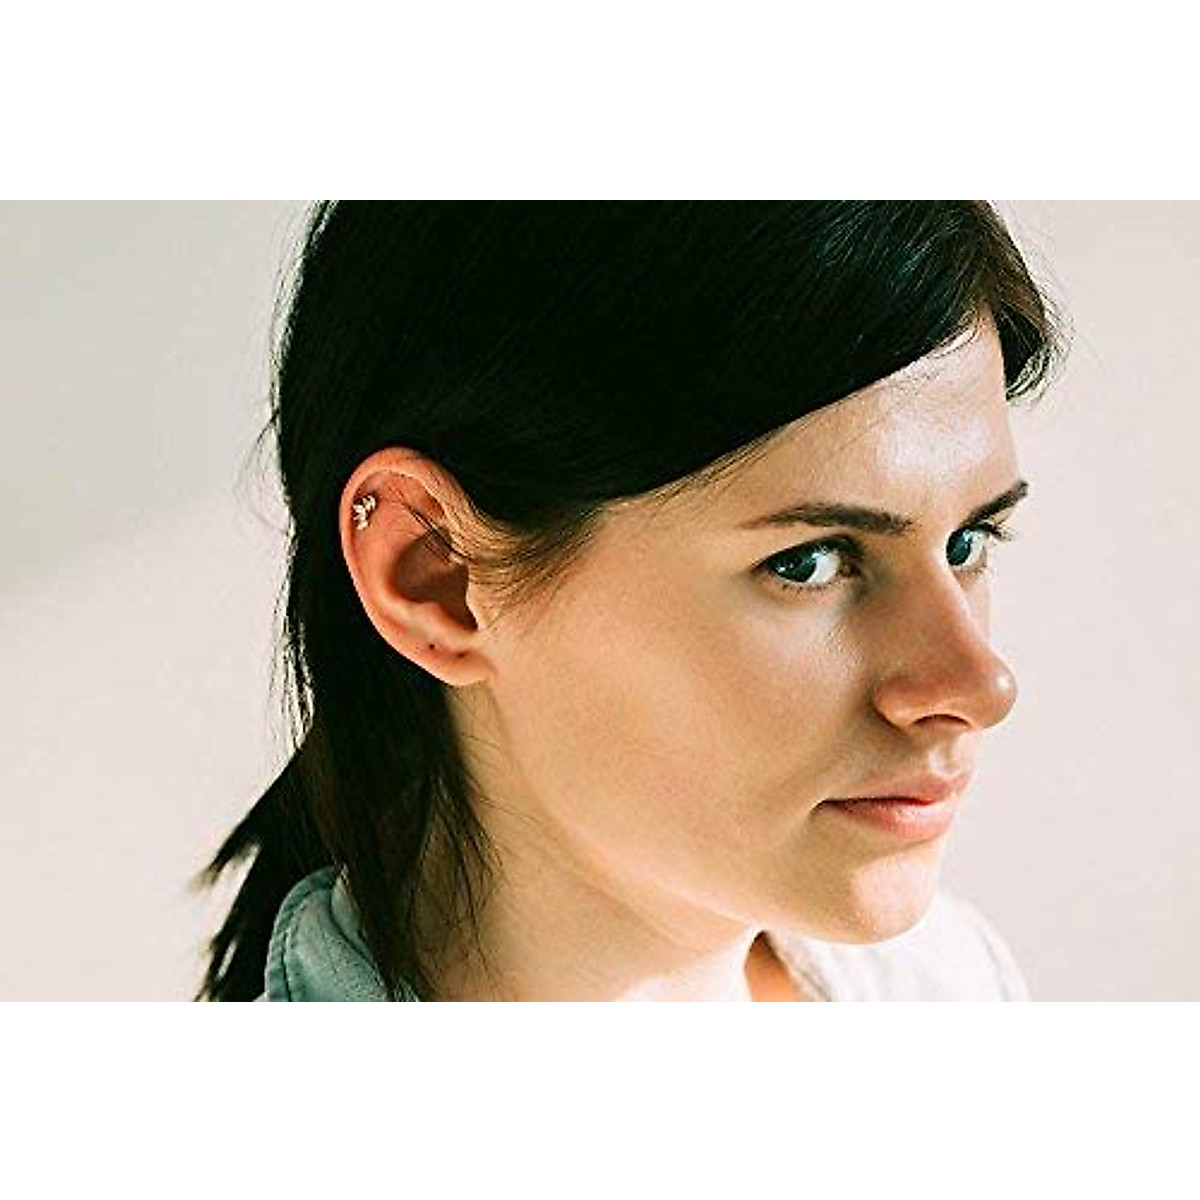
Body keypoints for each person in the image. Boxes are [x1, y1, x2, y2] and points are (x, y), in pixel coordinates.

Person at [192, 201, 1065, 1002]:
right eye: (808, 562)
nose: (981, 685)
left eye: (967, 543)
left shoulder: (952, 986)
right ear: (438, 576)